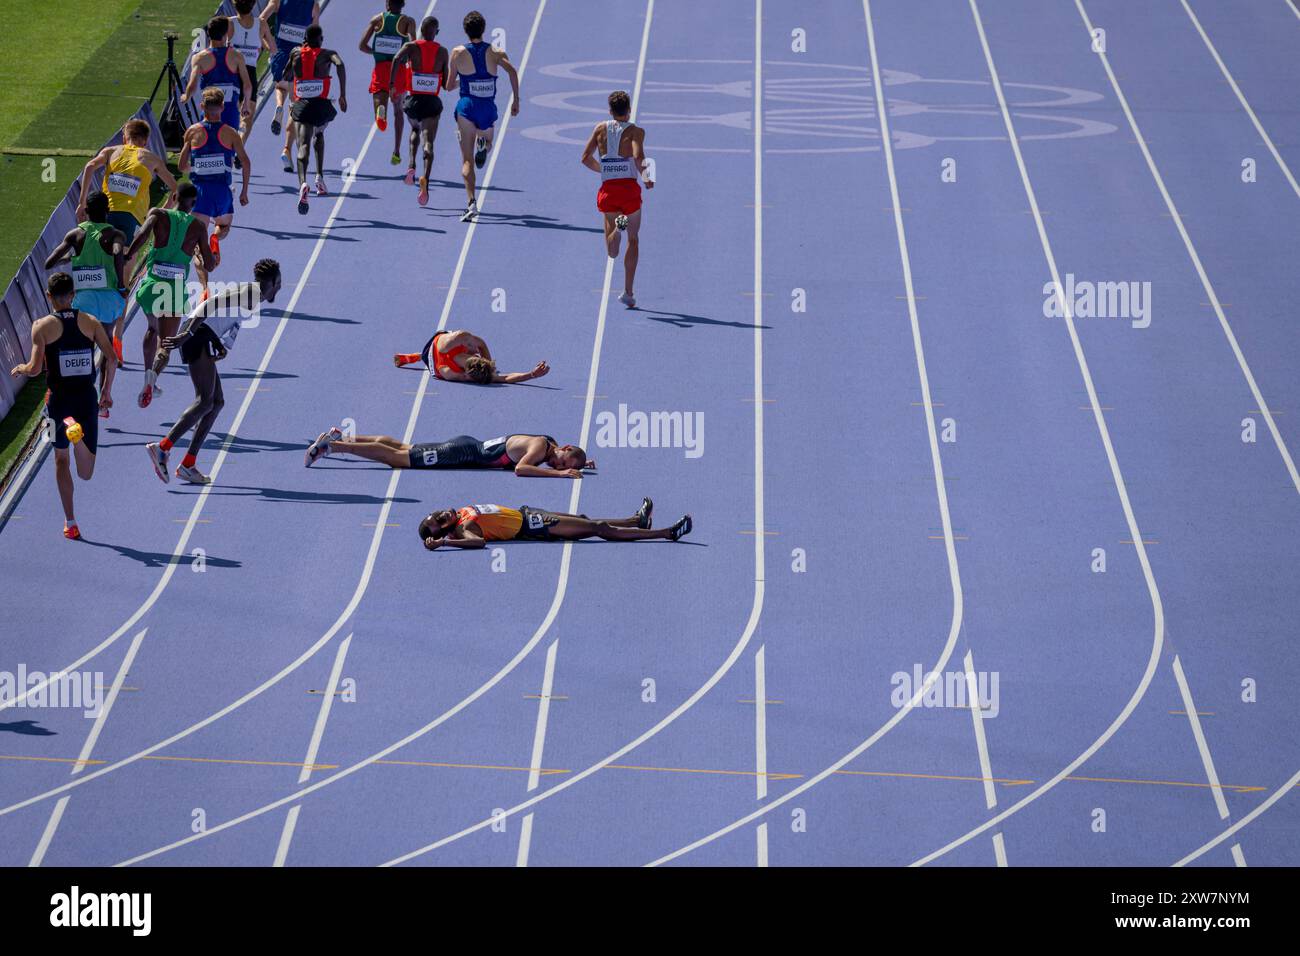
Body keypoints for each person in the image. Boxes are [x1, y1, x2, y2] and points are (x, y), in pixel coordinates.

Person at [145, 259, 282, 484]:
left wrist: (220, 343)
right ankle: (162, 448)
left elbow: (226, 316)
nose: (280, 288)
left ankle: (188, 463)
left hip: (204, 335)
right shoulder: (252, 293)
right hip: (196, 334)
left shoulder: (253, 295)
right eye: (280, 283)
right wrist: (187, 334)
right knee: (204, 401)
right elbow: (212, 304)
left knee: (216, 402)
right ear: (274, 281)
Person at [9, 272, 115, 539]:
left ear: (48, 296)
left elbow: (34, 369)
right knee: (86, 473)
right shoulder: (90, 322)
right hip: (86, 398)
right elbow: (112, 358)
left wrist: (21, 368)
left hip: (59, 401)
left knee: (60, 459)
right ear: (73, 295)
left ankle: (70, 521)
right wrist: (106, 392)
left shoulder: (41, 326)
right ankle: (77, 437)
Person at [76, 119, 178, 362]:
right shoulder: (150, 158)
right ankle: (116, 342)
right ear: (145, 139)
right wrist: (160, 211)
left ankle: (88, 336)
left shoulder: (112, 151)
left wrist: (81, 203)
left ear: (126, 137)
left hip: (102, 220)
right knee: (122, 285)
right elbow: (175, 190)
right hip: (130, 224)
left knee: (96, 277)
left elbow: (89, 166)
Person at [125, 183, 216, 408]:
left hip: (151, 285)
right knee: (165, 345)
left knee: (152, 329)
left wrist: (127, 255)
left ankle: (148, 376)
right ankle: (152, 378)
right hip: (173, 291)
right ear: (193, 204)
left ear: (174, 196)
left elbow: (143, 236)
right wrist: (200, 251)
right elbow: (210, 265)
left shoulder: (158, 214)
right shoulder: (198, 227)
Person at [42, 191, 128, 408]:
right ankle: (105, 396)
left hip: (84, 302)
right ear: (108, 212)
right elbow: (118, 254)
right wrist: (120, 284)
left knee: (82, 351)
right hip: (108, 300)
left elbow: (49, 263)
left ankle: (73, 395)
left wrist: (72, 257)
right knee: (108, 350)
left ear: (86, 212)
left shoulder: (75, 235)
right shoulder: (115, 234)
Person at [581, 90, 653, 309]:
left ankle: (617, 228)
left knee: (611, 252)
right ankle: (628, 292)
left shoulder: (600, 129)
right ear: (629, 110)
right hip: (629, 190)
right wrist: (647, 177)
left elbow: (585, 158)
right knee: (634, 240)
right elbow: (639, 156)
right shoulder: (636, 131)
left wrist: (604, 169)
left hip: (608, 190)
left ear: (610, 111)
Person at [448, 10, 519, 222]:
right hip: (488, 108)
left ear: (465, 30)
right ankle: (484, 146)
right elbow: (513, 72)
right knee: (488, 144)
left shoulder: (457, 53)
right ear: (484, 29)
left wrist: (464, 81)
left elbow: (449, 86)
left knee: (467, 160)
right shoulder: (496, 52)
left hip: (467, 107)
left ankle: (471, 203)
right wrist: (516, 100)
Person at [179, 88, 251, 295]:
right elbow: (245, 162)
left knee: (195, 243)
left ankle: (204, 289)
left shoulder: (192, 132)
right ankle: (215, 239)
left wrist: (198, 167)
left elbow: (182, 166)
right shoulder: (230, 133)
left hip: (199, 193)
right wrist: (244, 191)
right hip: (222, 191)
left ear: (202, 107)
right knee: (223, 227)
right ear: (222, 107)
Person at [417, 499, 692, 548]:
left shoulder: (462, 515)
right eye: (439, 520)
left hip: (526, 513)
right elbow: (478, 542)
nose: (442, 513)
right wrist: (444, 542)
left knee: (585, 520)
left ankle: (637, 521)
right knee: (599, 529)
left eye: (436, 512)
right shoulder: (462, 530)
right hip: (533, 527)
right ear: (444, 529)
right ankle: (667, 532)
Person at [304, 430, 590, 477]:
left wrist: (582, 463)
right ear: (562, 447)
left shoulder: (547, 441)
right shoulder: (540, 448)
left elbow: (555, 457)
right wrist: (562, 474)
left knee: (403, 447)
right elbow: (521, 469)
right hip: (461, 453)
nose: (555, 464)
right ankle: (334, 446)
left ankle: (341, 436)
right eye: (560, 460)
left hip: (466, 446)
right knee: (399, 459)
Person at [287, 24, 348, 214]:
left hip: (302, 106)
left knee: (302, 145)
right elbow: (340, 64)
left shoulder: (295, 53)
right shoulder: (328, 53)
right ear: (320, 39)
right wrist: (343, 94)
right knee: (319, 133)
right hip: (321, 107)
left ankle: (303, 182)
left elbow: (286, 74)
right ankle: (320, 178)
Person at [389, 15, 449, 205]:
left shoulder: (411, 47)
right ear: (436, 33)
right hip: (431, 104)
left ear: (421, 31)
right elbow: (446, 84)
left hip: (413, 102)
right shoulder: (442, 52)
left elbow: (396, 59)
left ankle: (411, 164)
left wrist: (392, 85)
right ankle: (426, 180)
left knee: (414, 129)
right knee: (428, 141)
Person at [260, 0, 321, 170]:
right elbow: (316, 38)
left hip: (280, 55)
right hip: (300, 60)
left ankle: (278, 105)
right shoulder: (313, 5)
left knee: (280, 86)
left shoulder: (277, 1)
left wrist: (270, 47)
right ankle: (286, 150)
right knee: (295, 106)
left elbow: (261, 20)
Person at [360, 0, 415, 165]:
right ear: (402, 4)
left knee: (379, 99)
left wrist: (376, 51)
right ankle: (396, 151)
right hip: (398, 71)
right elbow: (414, 47)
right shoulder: (408, 22)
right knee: (398, 110)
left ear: (386, 4)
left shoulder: (377, 20)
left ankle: (380, 109)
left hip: (380, 69)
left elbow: (362, 45)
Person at [181, 16, 252, 139]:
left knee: (210, 142)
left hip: (209, 110)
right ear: (225, 36)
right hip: (230, 111)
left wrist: (186, 96)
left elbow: (192, 86)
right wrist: (246, 104)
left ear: (208, 34)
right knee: (229, 145)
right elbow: (247, 85)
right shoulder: (236, 56)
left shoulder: (199, 58)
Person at [393, 328, 547, 384]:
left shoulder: (460, 341)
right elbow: (505, 378)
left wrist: (490, 367)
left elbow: (481, 345)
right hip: (435, 352)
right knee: (472, 342)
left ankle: (417, 356)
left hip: (436, 353)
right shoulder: (453, 371)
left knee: (474, 342)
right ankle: (418, 356)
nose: (477, 352)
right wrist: (531, 374)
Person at [227, 0, 274, 147]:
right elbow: (273, 48)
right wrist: (259, 44)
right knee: (248, 115)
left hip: (232, 72)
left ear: (234, 6)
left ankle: (229, 145)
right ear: (253, 5)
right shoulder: (261, 24)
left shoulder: (229, 23)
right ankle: (240, 145)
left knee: (231, 112)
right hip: (250, 72)